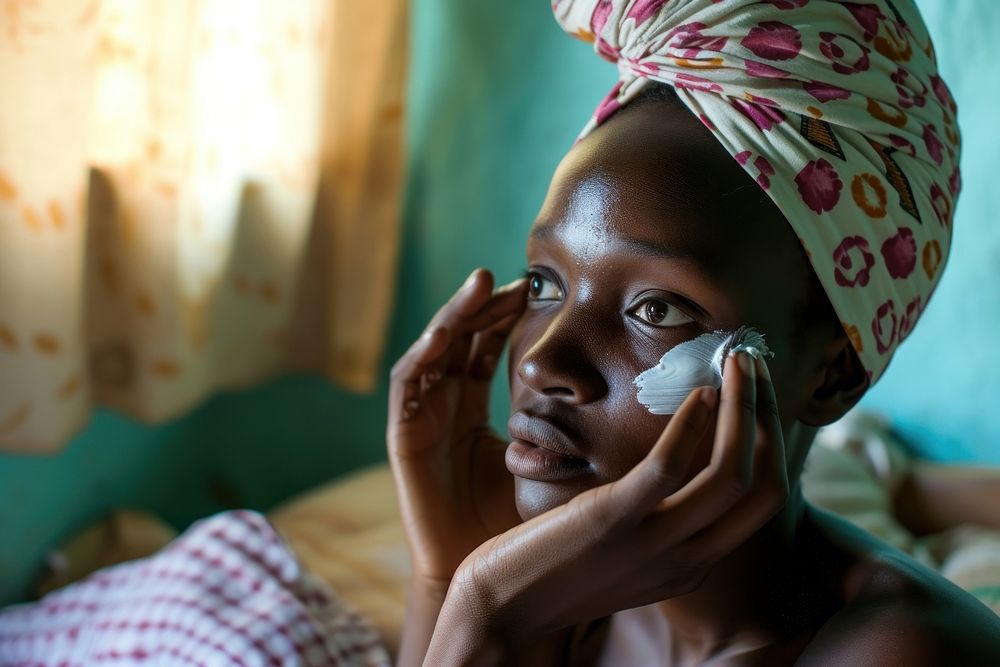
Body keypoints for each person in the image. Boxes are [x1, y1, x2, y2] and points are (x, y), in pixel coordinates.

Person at [386, 0, 1000, 664]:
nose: (540, 362)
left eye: (657, 309)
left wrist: (485, 613)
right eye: (544, 283)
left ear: (831, 374)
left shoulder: (898, 651)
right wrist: (449, 567)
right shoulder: (556, 591)